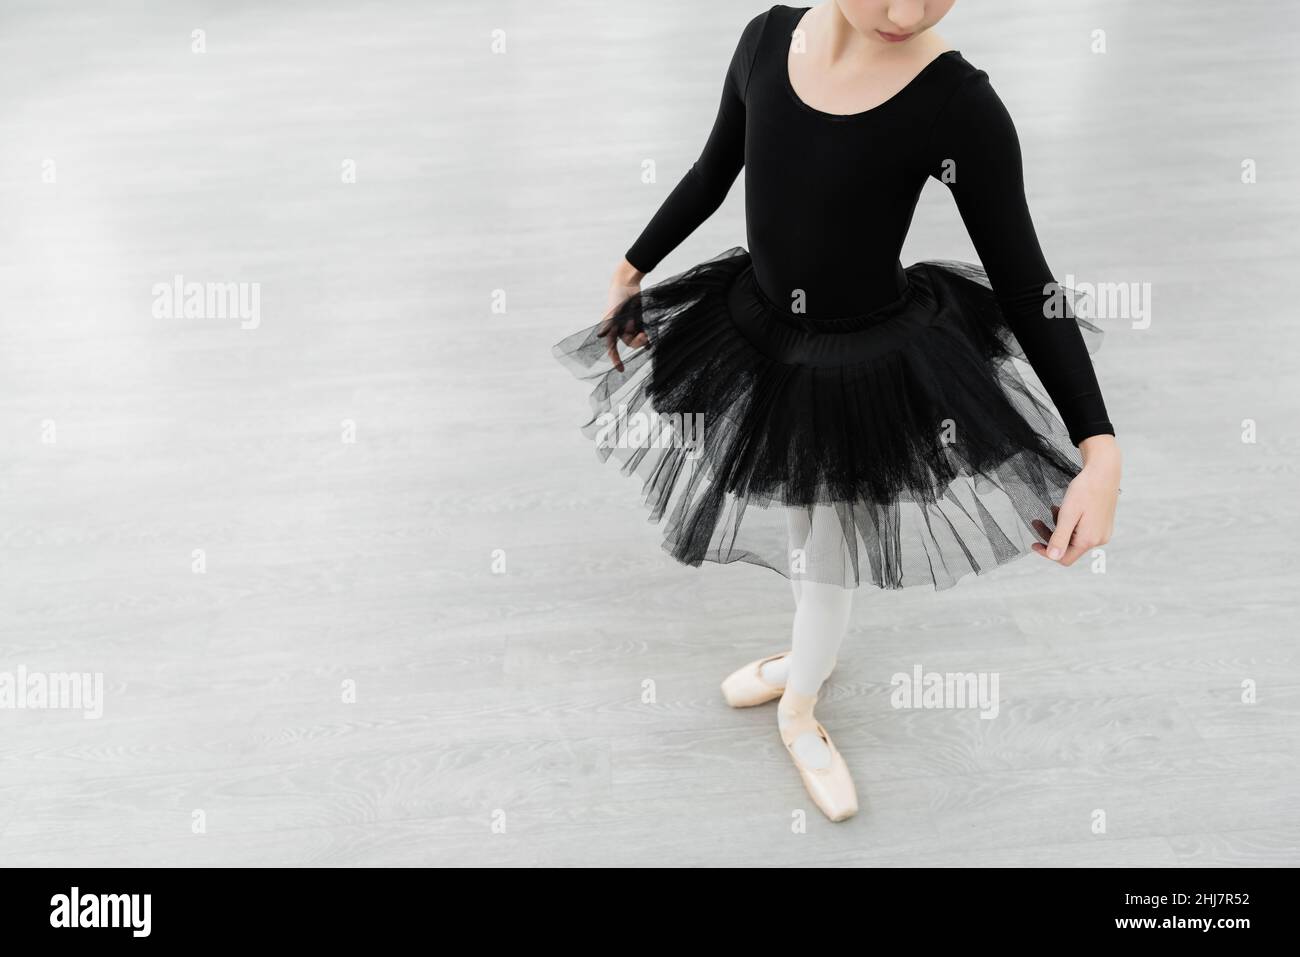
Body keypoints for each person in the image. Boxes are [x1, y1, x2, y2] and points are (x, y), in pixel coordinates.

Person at [552, 1, 1122, 822]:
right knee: (799, 528)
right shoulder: (765, 39)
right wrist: (633, 262)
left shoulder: (956, 104)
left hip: (862, 364)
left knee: (825, 556)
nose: (905, 11)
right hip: (756, 330)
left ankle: (800, 708)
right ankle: (803, 659)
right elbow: (717, 169)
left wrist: (1098, 447)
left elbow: (1024, 276)